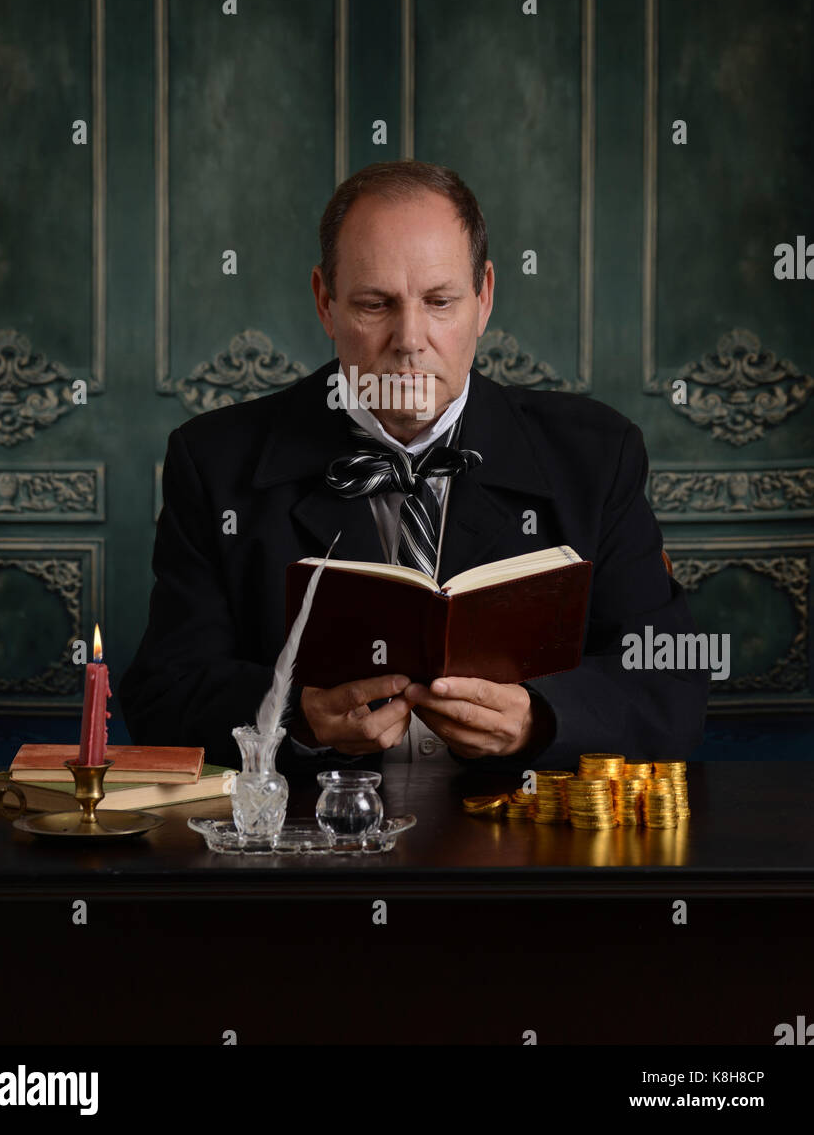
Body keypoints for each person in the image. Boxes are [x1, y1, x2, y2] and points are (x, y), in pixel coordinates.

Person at [120, 160, 709, 774]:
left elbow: (671, 681)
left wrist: (539, 719)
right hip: (313, 854)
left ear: (483, 299)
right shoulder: (214, 462)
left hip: (522, 853)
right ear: (325, 302)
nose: (409, 338)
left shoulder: (597, 456)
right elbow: (164, 692)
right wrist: (294, 714)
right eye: (376, 304)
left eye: (440, 301)